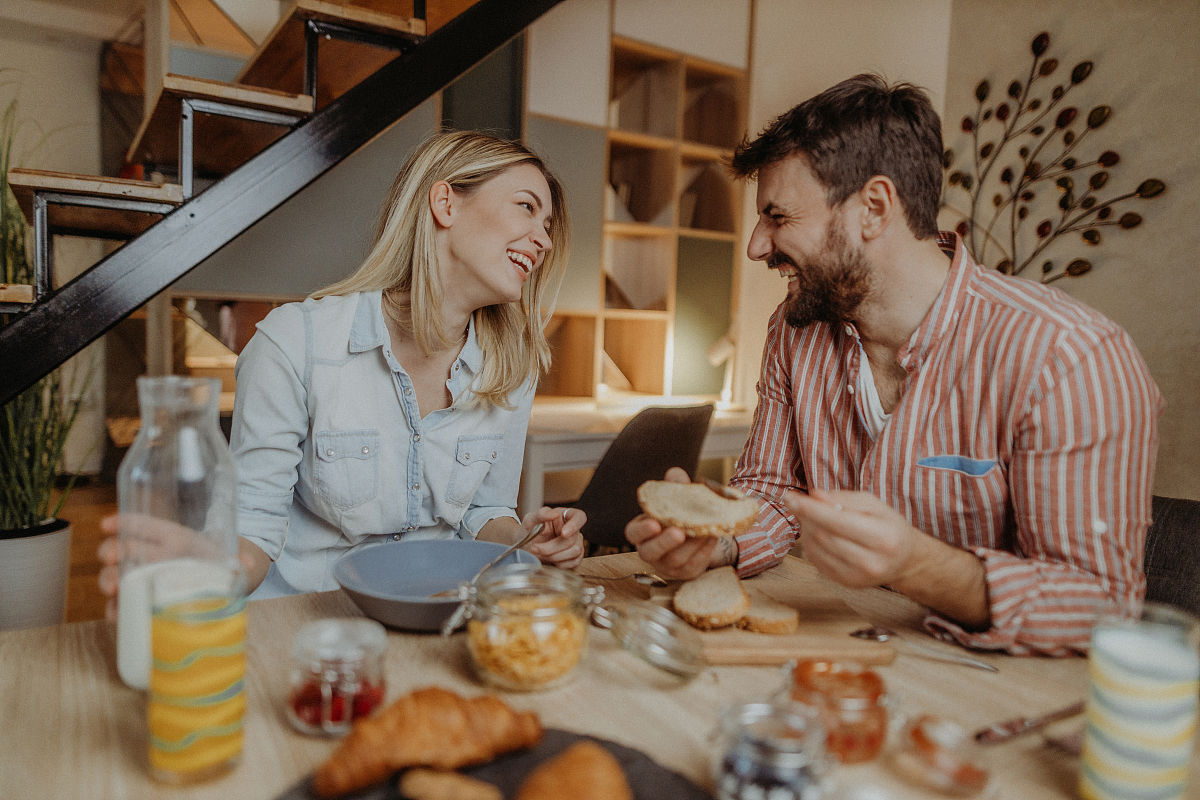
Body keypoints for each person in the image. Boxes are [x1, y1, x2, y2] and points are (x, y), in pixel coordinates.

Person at [626, 75, 1162, 656]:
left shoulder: (1068, 357)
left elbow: (1101, 605)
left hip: (993, 690)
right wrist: (717, 543)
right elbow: (774, 492)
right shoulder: (793, 330)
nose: (757, 245)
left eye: (778, 216)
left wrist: (915, 562)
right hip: (839, 654)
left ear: (874, 208)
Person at [100, 130, 586, 606]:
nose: (543, 239)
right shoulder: (294, 343)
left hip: (436, 619)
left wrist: (525, 538)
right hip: (305, 622)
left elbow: (484, 512)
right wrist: (206, 563)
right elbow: (253, 527)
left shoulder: (511, 366)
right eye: (527, 207)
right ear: (446, 204)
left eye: (548, 224)